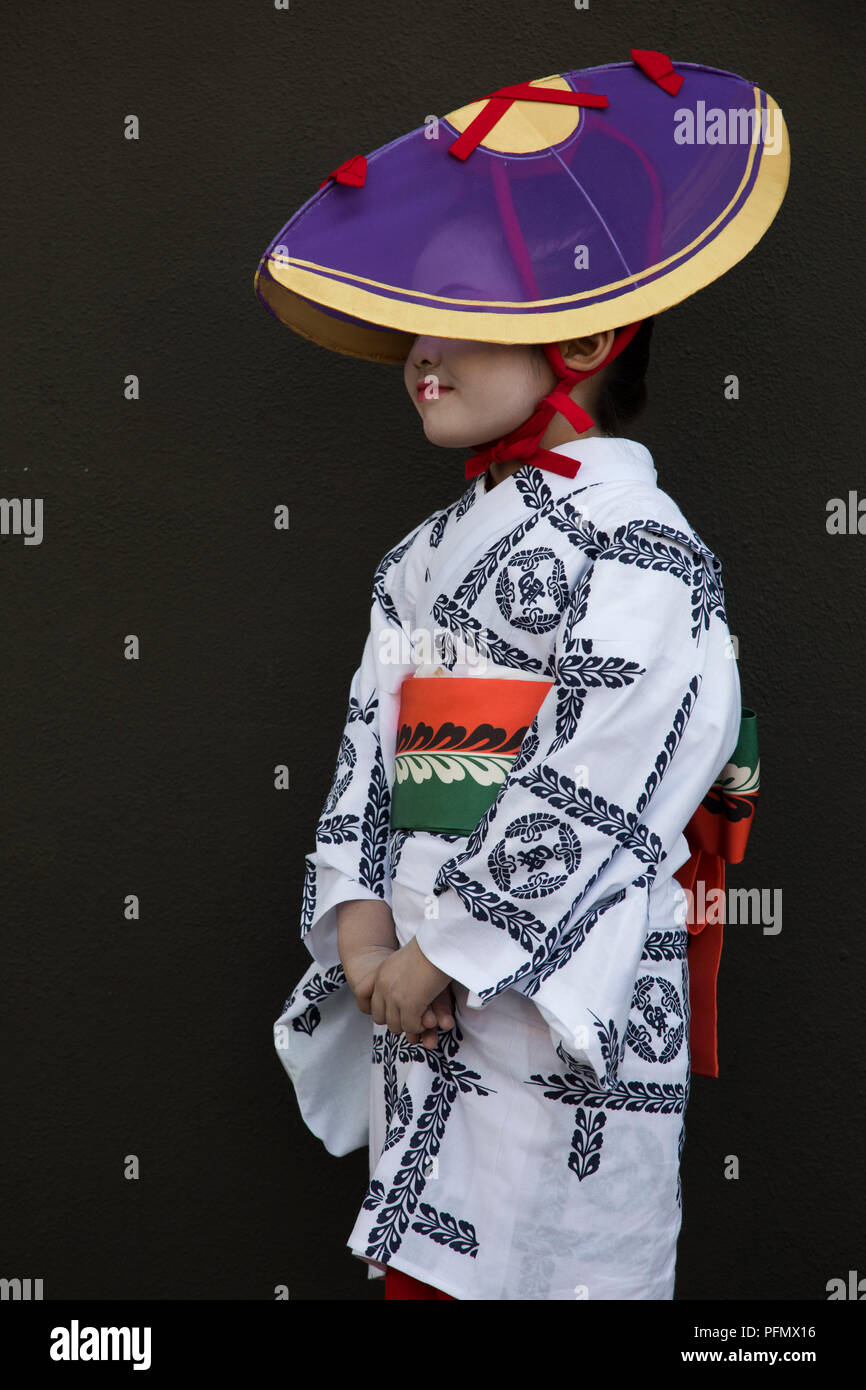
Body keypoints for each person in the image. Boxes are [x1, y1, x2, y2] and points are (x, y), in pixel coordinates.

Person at [264, 52, 787, 1300]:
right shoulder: (418, 559)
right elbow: (367, 756)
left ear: (591, 333)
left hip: (550, 987)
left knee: (553, 1268)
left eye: (458, 310)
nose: (417, 350)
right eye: (413, 321)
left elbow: (615, 764)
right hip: (409, 982)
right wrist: (362, 930)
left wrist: (444, 952)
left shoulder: (642, 547)